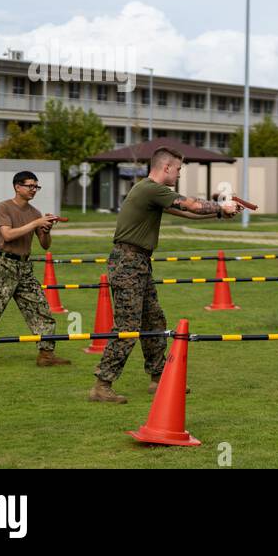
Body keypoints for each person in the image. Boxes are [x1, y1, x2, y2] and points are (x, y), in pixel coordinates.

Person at [89, 147, 241, 403]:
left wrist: (218, 213)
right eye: (179, 168)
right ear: (167, 167)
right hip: (128, 263)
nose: (179, 174)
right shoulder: (150, 188)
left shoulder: (154, 193)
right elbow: (191, 203)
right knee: (128, 326)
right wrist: (221, 205)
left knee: (154, 321)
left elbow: (185, 211)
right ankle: (102, 385)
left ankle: (158, 378)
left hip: (138, 262)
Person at [0, 171, 65, 371]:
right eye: (30, 186)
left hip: (24, 267)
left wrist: (46, 230)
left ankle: (46, 354)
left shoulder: (35, 212)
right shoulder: (3, 207)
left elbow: (45, 245)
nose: (33, 190)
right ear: (17, 187)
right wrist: (36, 223)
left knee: (41, 309)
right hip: (2, 266)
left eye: (36, 187)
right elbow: (8, 235)